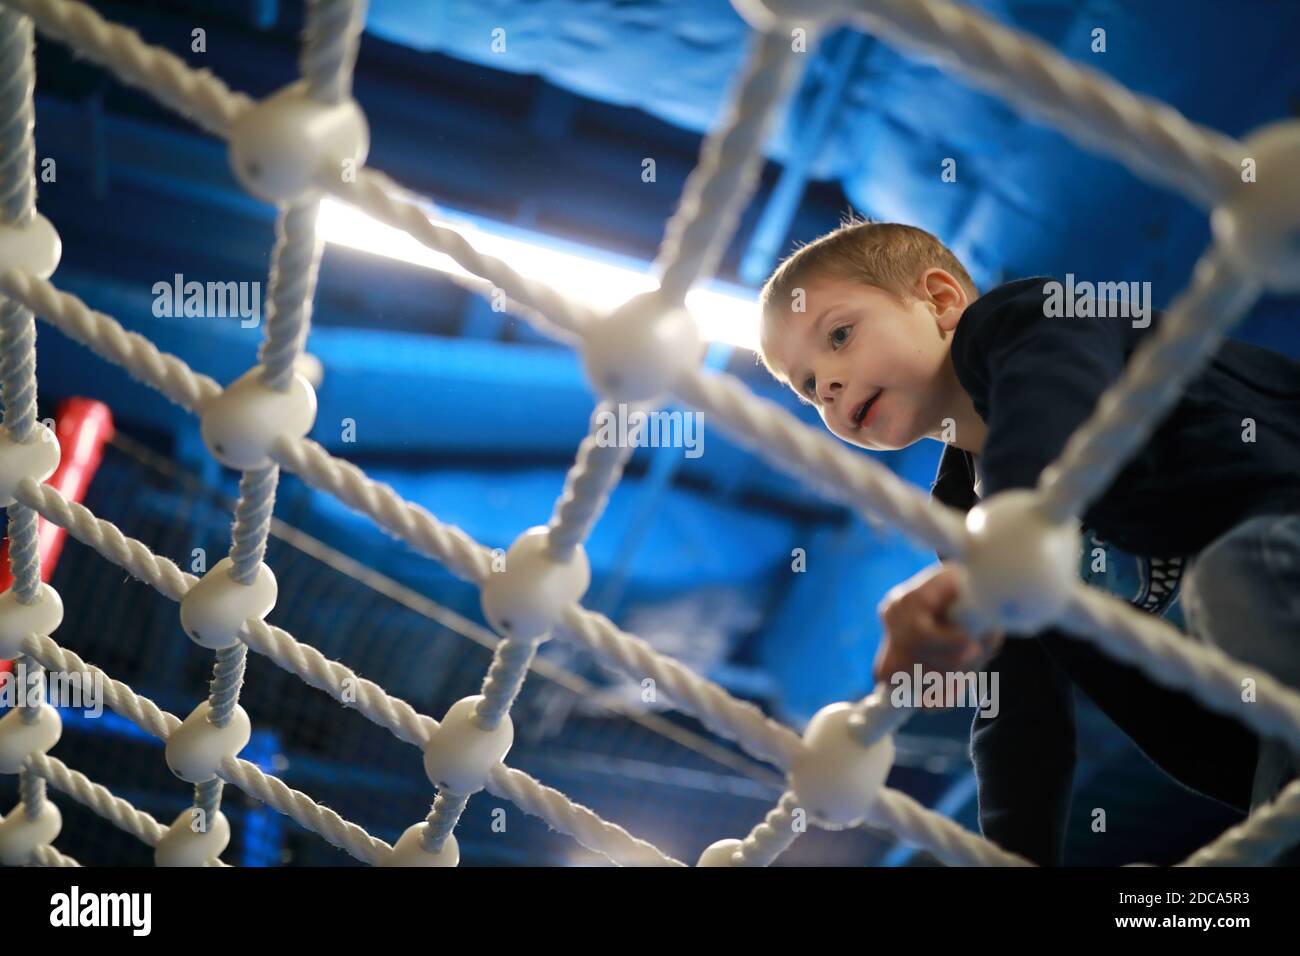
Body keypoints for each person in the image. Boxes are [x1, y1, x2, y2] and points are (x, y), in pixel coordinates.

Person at [756, 216, 1300, 865]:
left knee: (1234, 577)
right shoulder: (960, 517)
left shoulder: (1039, 319)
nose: (830, 387)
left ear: (941, 302)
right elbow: (1016, 712)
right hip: (1269, 741)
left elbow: (1052, 390)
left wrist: (996, 535)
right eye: (810, 387)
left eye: (840, 336)